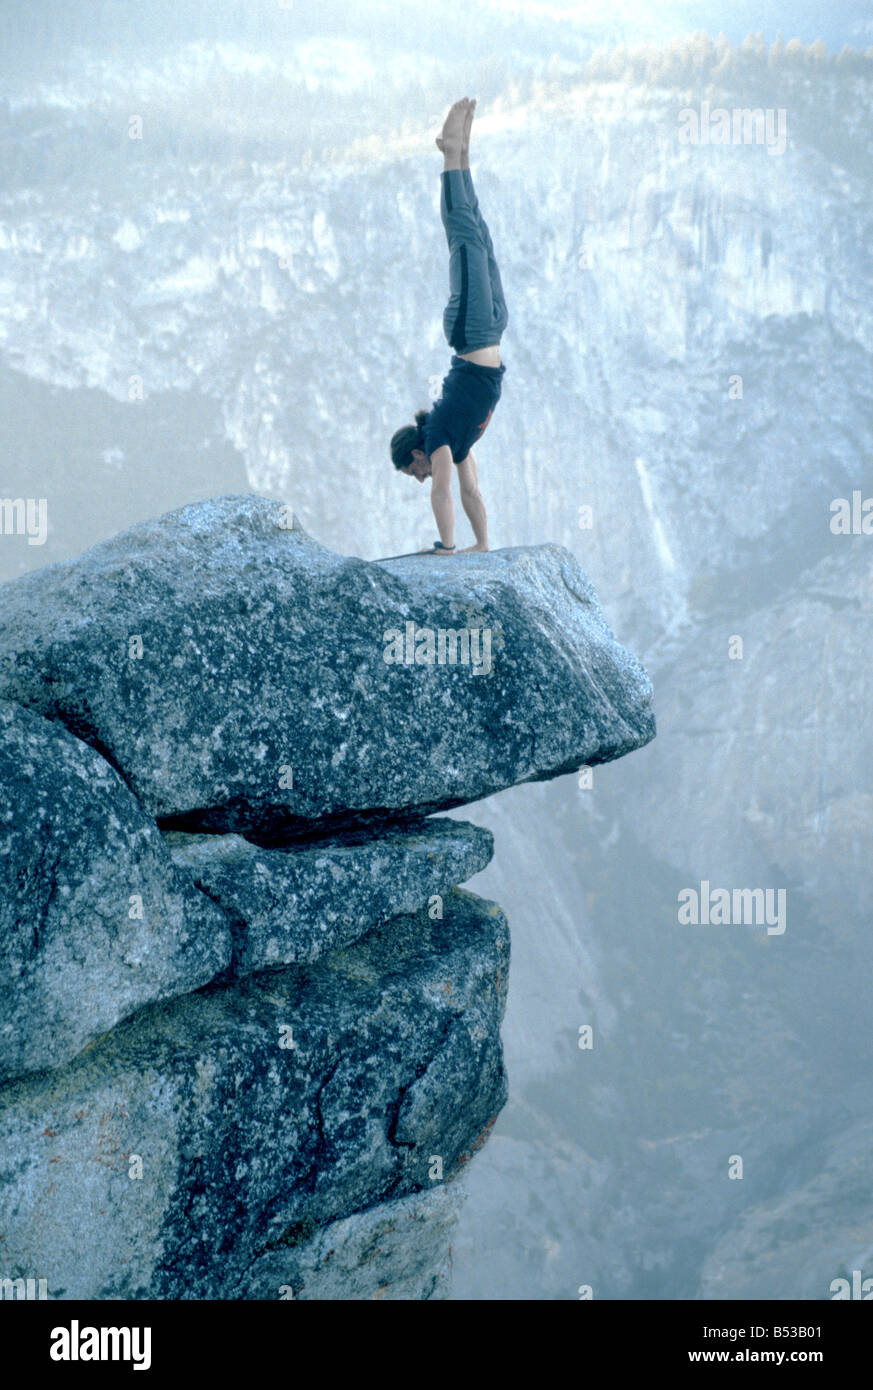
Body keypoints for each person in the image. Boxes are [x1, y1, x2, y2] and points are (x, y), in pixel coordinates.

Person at [390, 97, 507, 555]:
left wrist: (447, 547)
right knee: (478, 233)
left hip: (470, 331)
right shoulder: (455, 446)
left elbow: (442, 492)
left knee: (461, 235)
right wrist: (482, 544)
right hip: (494, 330)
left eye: (412, 471)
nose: (421, 478)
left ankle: (450, 154)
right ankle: (461, 154)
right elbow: (470, 493)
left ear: (416, 453)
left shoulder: (438, 435)